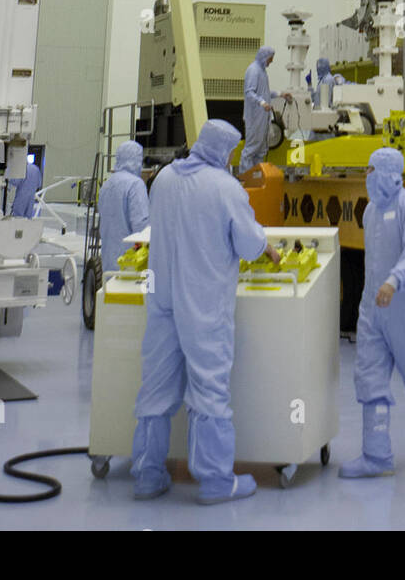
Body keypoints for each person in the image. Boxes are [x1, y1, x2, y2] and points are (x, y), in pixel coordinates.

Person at [131, 120, 278, 504]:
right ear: (223, 151)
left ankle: (147, 474)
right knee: (209, 389)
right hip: (203, 305)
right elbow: (247, 245)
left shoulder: (163, 179)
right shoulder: (225, 188)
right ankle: (214, 480)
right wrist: (266, 246)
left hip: (161, 300)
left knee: (156, 386)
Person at [340, 147, 405, 478]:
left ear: (390, 172)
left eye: (372, 170)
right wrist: (371, 297)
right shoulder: (371, 211)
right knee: (369, 378)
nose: (368, 176)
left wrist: (393, 280)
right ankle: (376, 455)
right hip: (374, 311)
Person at [96, 141, 149, 274]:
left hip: (108, 260)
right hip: (130, 262)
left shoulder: (106, 185)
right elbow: (141, 227)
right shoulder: (135, 185)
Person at [239, 45, 278, 174]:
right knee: (251, 149)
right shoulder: (253, 70)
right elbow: (249, 92)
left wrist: (280, 94)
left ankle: (256, 177)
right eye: (270, 59)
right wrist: (262, 103)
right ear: (265, 56)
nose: (271, 62)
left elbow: (264, 92)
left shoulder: (262, 71)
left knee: (260, 150)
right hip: (254, 117)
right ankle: (246, 178)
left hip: (262, 117)